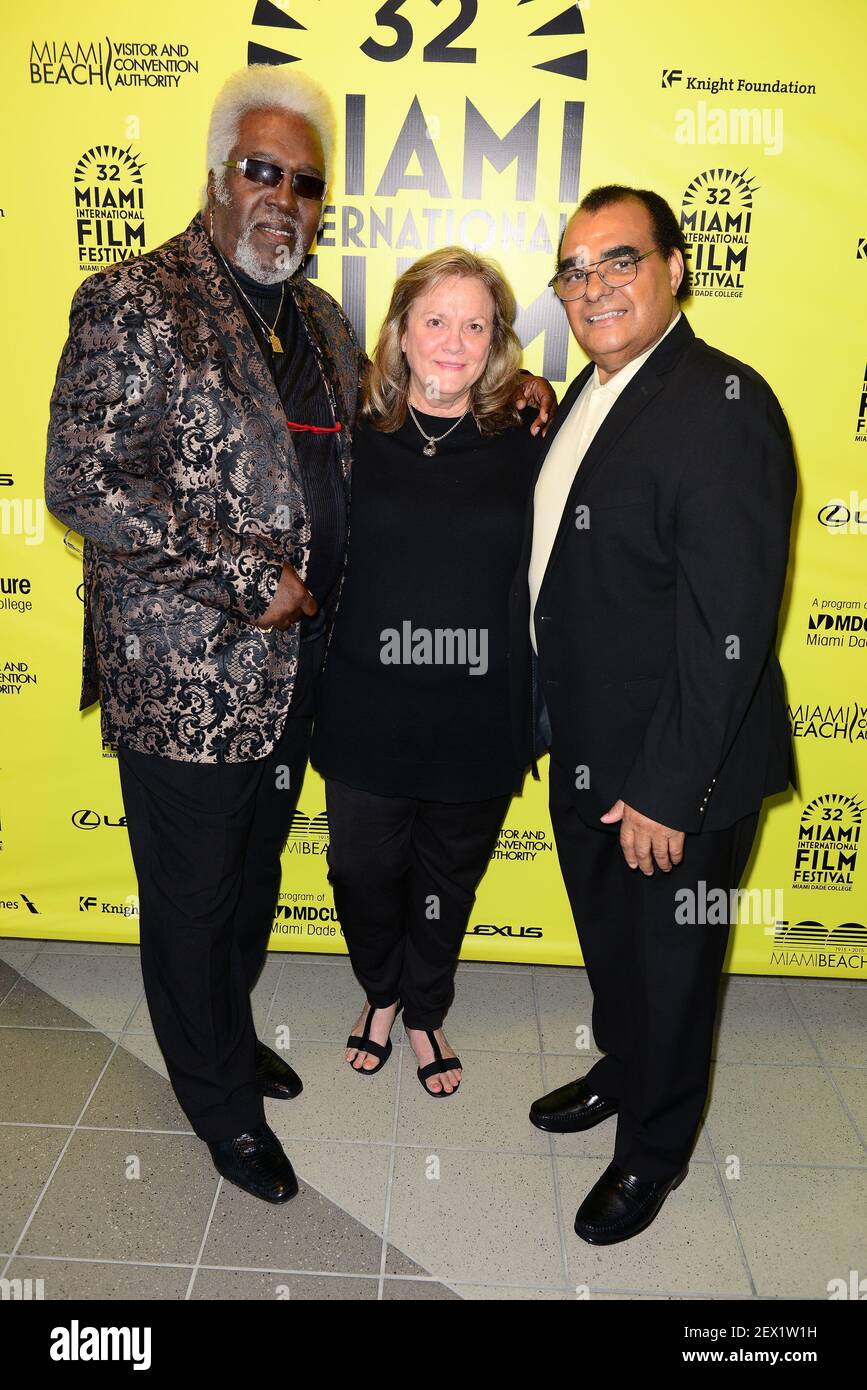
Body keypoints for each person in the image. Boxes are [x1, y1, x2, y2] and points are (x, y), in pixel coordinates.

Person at [45, 64, 556, 1204]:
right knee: (189, 898)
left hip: (298, 687)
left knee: (250, 888)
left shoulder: (321, 316)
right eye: (261, 170)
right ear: (218, 178)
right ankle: (215, 1102)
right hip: (182, 681)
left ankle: (226, 1035)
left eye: (306, 182)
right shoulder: (135, 298)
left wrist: (526, 398)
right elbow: (82, 481)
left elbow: (400, 431)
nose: (283, 196)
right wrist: (244, 578)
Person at [516, 185, 796, 1242]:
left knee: (674, 969)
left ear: (675, 267)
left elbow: (729, 625)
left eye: (618, 260)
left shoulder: (723, 402)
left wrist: (668, 788)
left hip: (680, 770)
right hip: (589, 748)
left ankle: (656, 1148)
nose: (594, 285)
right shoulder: (596, 391)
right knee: (616, 951)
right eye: (575, 269)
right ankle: (624, 1069)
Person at [310, 248, 546, 1096]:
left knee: (449, 879)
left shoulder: (526, 440)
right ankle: (380, 992)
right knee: (362, 874)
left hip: (478, 715)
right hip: (366, 710)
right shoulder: (345, 434)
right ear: (400, 335)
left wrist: (538, 393)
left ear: (497, 343)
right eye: (435, 320)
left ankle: (423, 1010)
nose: (453, 340)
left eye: (474, 324)